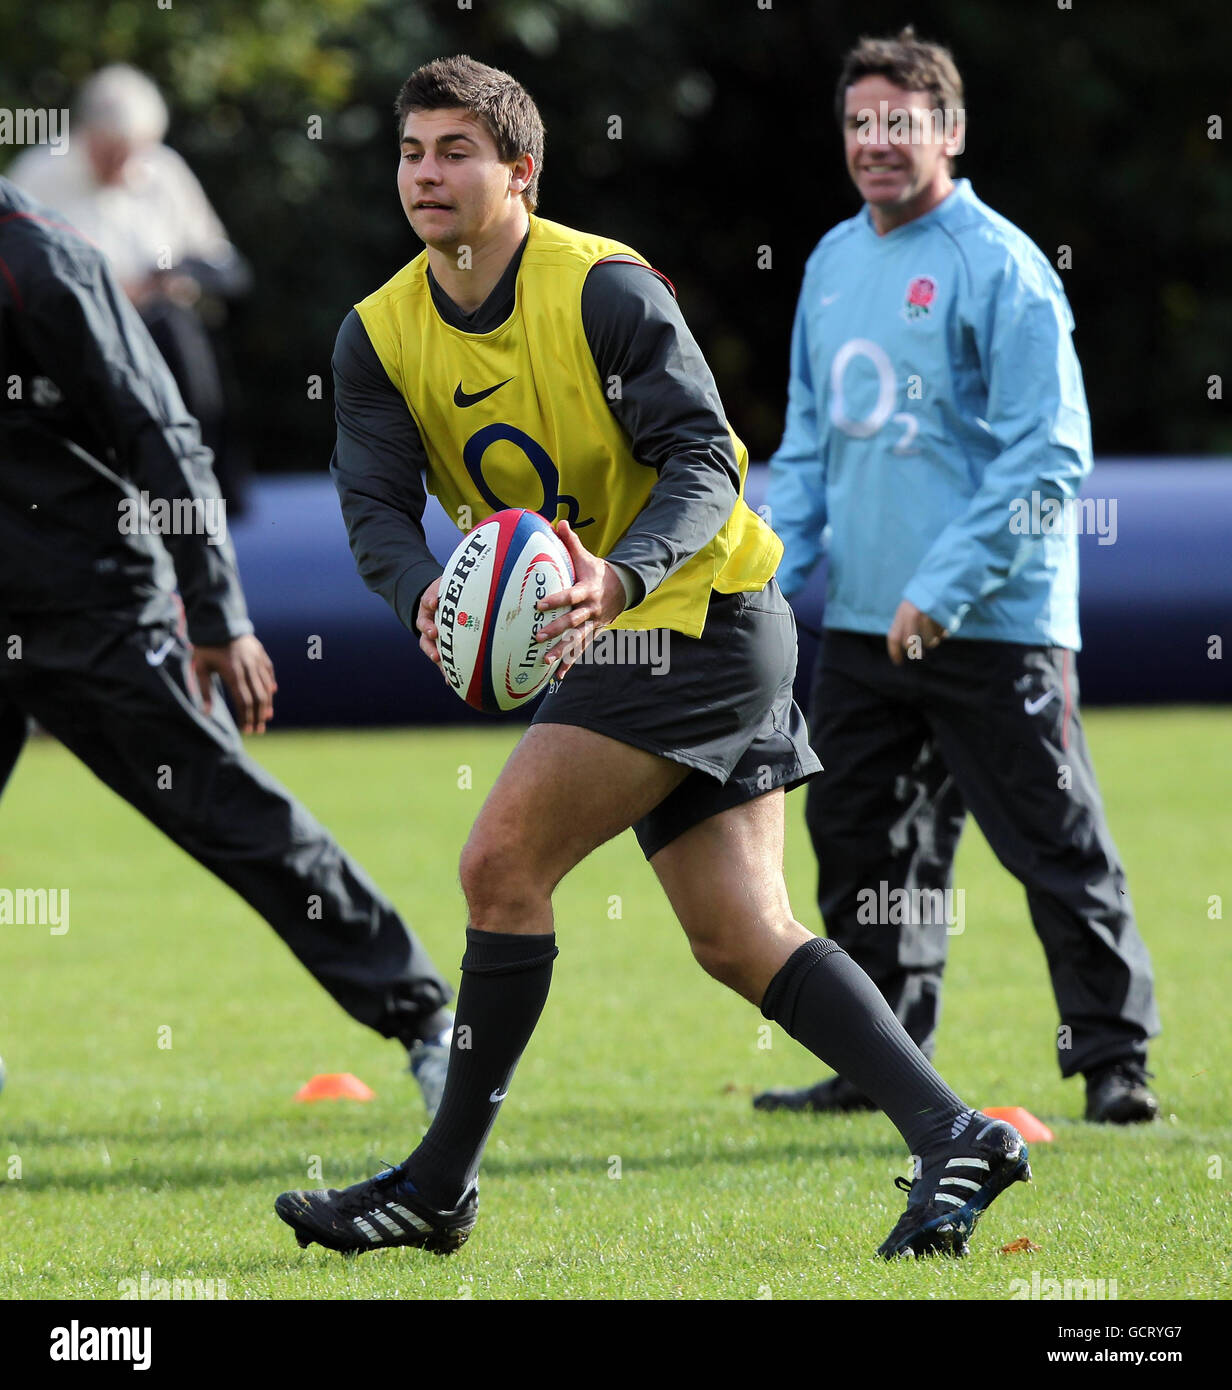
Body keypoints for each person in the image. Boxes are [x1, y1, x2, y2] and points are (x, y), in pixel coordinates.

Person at [274, 54, 1031, 1262]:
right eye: (412, 151)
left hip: (700, 617)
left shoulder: (602, 289)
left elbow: (704, 461)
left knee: (499, 860)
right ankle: (956, 1133)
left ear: (520, 173)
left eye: (455, 150)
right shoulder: (377, 333)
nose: (426, 173)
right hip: (619, 632)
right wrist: (425, 596)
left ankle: (437, 1185)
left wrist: (611, 575)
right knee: (740, 933)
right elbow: (370, 505)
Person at [753, 29, 1160, 1124]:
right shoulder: (832, 263)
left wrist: (941, 587)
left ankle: (1113, 1064)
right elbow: (804, 453)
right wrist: (749, 568)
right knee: (857, 843)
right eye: (859, 123)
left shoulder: (1001, 264)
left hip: (992, 623)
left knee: (1053, 845)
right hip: (855, 626)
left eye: (901, 121)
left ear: (950, 131)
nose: (877, 143)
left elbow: (1049, 456)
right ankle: (878, 1063)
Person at [0, 176, 453, 1118]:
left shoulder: (42, 261)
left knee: (229, 814)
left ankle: (426, 1022)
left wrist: (216, 613)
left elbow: (160, 432)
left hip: (89, 605)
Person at [10, 64, 253, 510]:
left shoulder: (163, 171)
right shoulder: (39, 175)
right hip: (68, 336)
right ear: (87, 134)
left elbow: (223, 263)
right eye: (111, 152)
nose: (123, 166)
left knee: (180, 333)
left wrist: (177, 277)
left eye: (133, 152)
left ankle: (197, 482)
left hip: (153, 329)